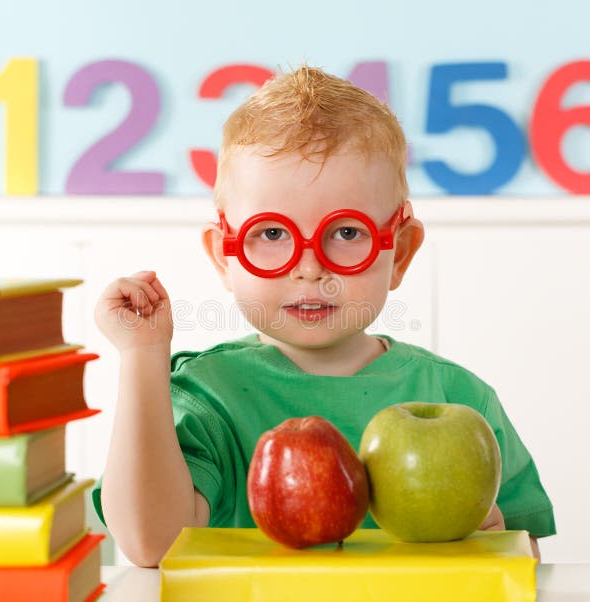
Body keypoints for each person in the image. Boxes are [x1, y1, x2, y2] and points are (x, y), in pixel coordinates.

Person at [92, 65, 555, 567]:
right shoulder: (205, 399)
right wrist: (143, 355)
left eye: (346, 233)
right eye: (271, 234)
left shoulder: (460, 401)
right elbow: (150, 544)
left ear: (398, 253)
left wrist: (496, 541)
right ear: (224, 256)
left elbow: (526, 557)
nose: (309, 269)